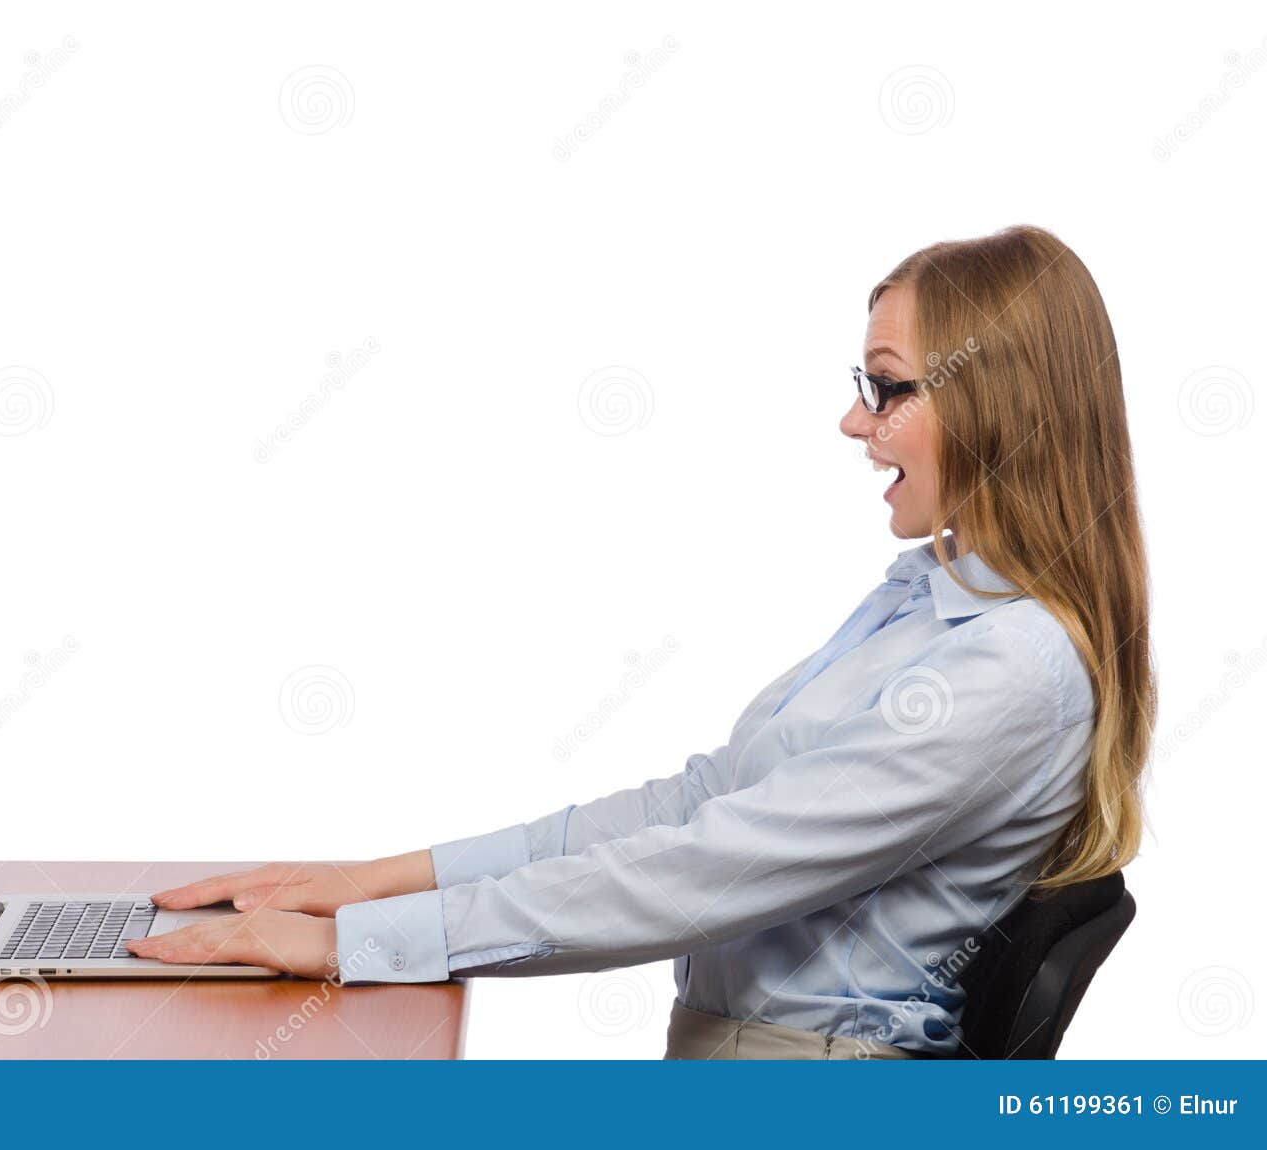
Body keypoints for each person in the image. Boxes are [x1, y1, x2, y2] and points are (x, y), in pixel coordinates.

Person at [127, 224, 1155, 1059]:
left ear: (993, 403)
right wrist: (373, 883)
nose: (854, 420)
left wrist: (355, 944)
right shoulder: (927, 598)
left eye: (886, 387)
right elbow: (699, 803)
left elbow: (708, 870)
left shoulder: (1009, 670)